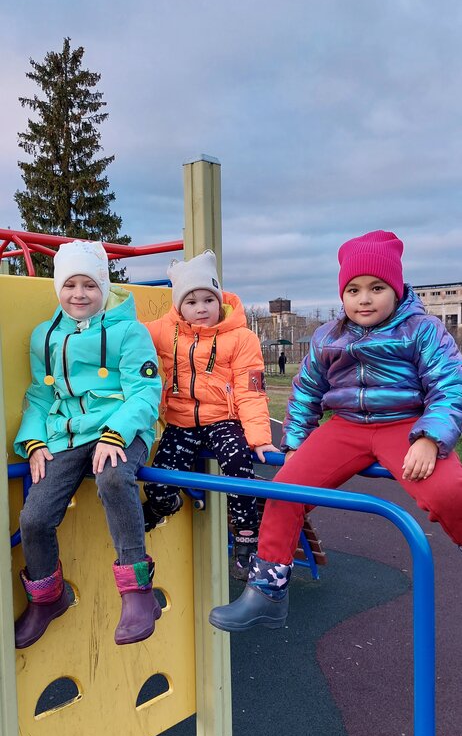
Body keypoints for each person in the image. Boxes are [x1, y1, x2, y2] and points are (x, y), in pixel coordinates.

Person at [209, 229, 462, 631]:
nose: (364, 298)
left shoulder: (422, 329)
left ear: (396, 289)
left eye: (377, 288)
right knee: (285, 490)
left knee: (449, 491)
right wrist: (293, 443)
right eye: (354, 289)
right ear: (342, 295)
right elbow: (308, 390)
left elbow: (448, 386)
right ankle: (267, 591)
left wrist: (430, 438)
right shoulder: (330, 336)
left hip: (405, 425)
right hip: (344, 427)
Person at [14, 239, 162, 649]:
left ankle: (137, 592)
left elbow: (144, 391)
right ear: (58, 288)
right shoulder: (45, 336)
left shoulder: (129, 331)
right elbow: (41, 394)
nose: (79, 294)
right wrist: (34, 440)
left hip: (120, 429)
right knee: (34, 517)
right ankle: (47, 598)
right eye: (70, 285)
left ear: (103, 288)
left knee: (114, 479)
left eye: (89, 286)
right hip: (68, 434)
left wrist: (116, 432)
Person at [143, 249, 277, 575]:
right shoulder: (164, 331)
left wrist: (259, 437)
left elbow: (252, 389)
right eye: (191, 302)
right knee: (160, 476)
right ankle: (164, 505)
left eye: (208, 299)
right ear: (179, 306)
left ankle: (246, 531)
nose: (201, 308)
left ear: (220, 300)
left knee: (237, 460)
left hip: (223, 420)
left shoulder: (242, 337)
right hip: (182, 420)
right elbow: (128, 334)